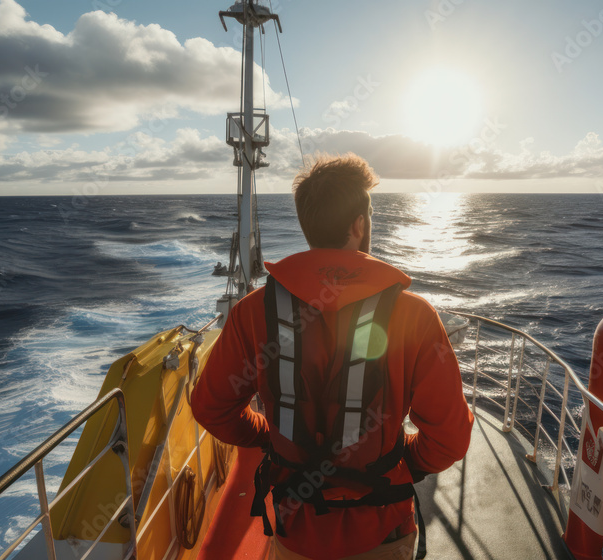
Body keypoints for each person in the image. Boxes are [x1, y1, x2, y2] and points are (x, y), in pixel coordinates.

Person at [191, 153, 473, 559]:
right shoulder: (415, 315)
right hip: (382, 532)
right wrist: (400, 465)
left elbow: (211, 407)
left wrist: (269, 437)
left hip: (296, 531)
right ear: (359, 224)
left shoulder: (253, 312)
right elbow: (449, 437)